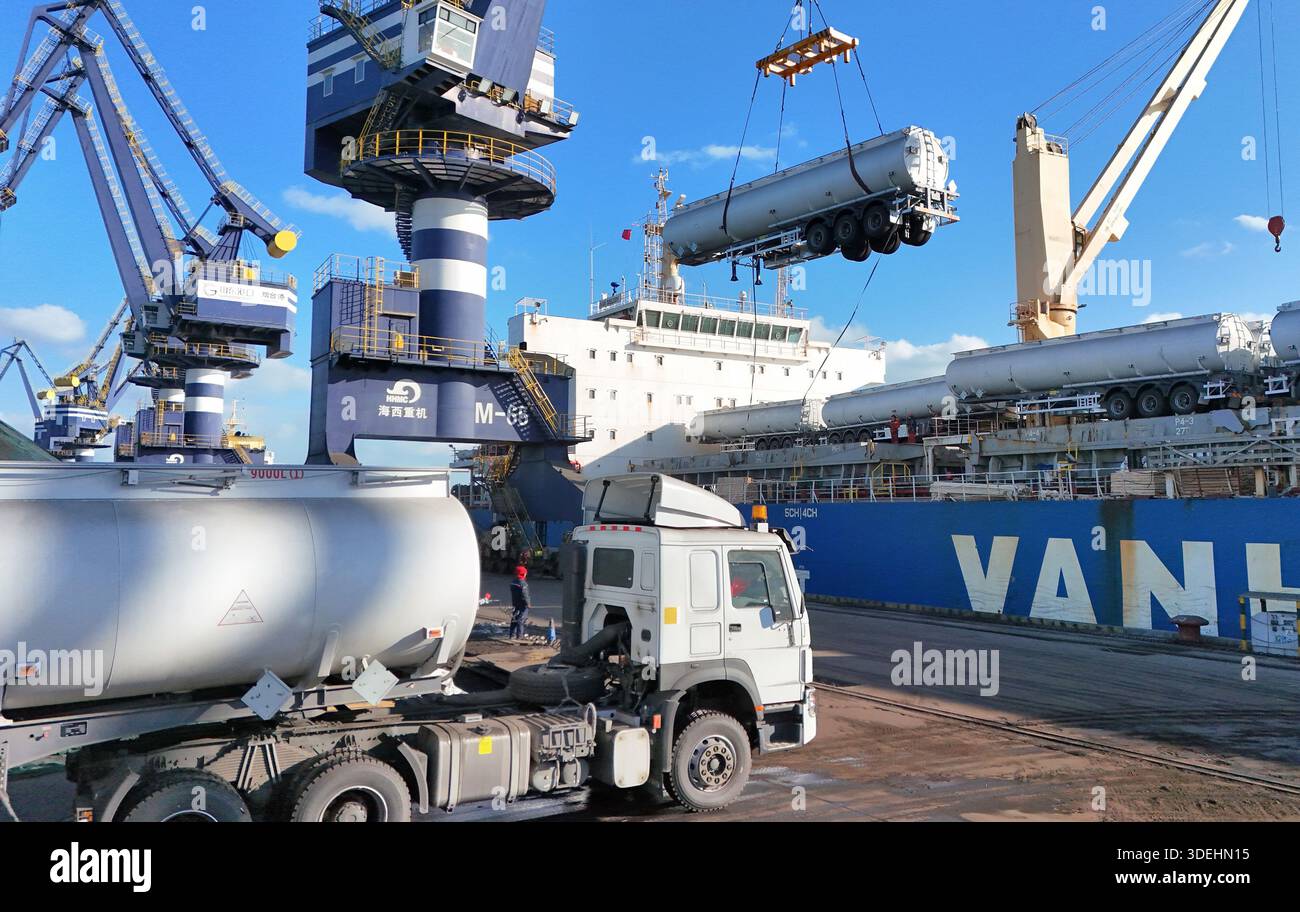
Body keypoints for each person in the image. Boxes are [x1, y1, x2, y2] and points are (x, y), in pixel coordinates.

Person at [509, 565, 531, 639]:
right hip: (523, 605)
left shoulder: (513, 582)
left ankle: (511, 635)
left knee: (514, 619)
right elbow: (525, 595)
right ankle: (519, 636)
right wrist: (528, 603)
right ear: (523, 574)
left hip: (515, 603)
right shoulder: (523, 584)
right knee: (521, 620)